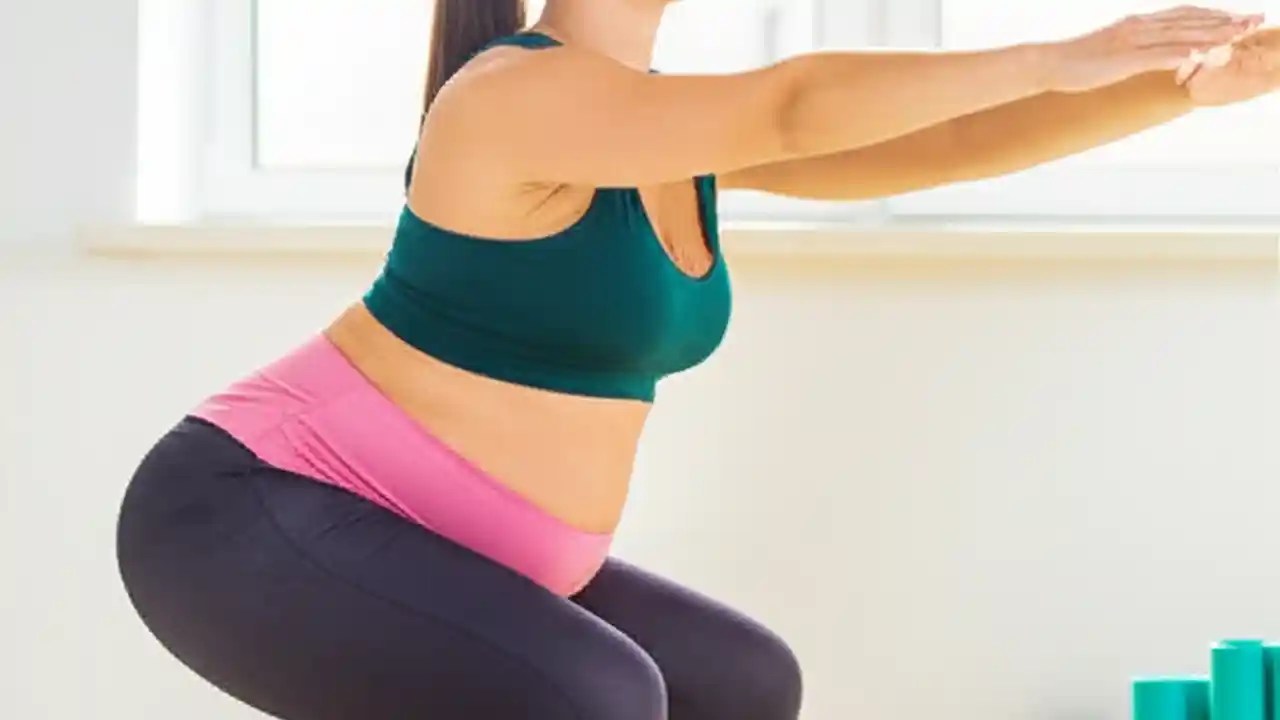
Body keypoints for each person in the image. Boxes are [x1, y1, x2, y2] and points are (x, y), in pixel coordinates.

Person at [115, 1, 1276, 718]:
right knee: (592, 700)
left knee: (738, 685)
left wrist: (1177, 90)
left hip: (428, 539)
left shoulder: (659, 131)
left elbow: (948, 145)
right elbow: (792, 103)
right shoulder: (512, 97)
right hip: (248, 516)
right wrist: (1058, 53)